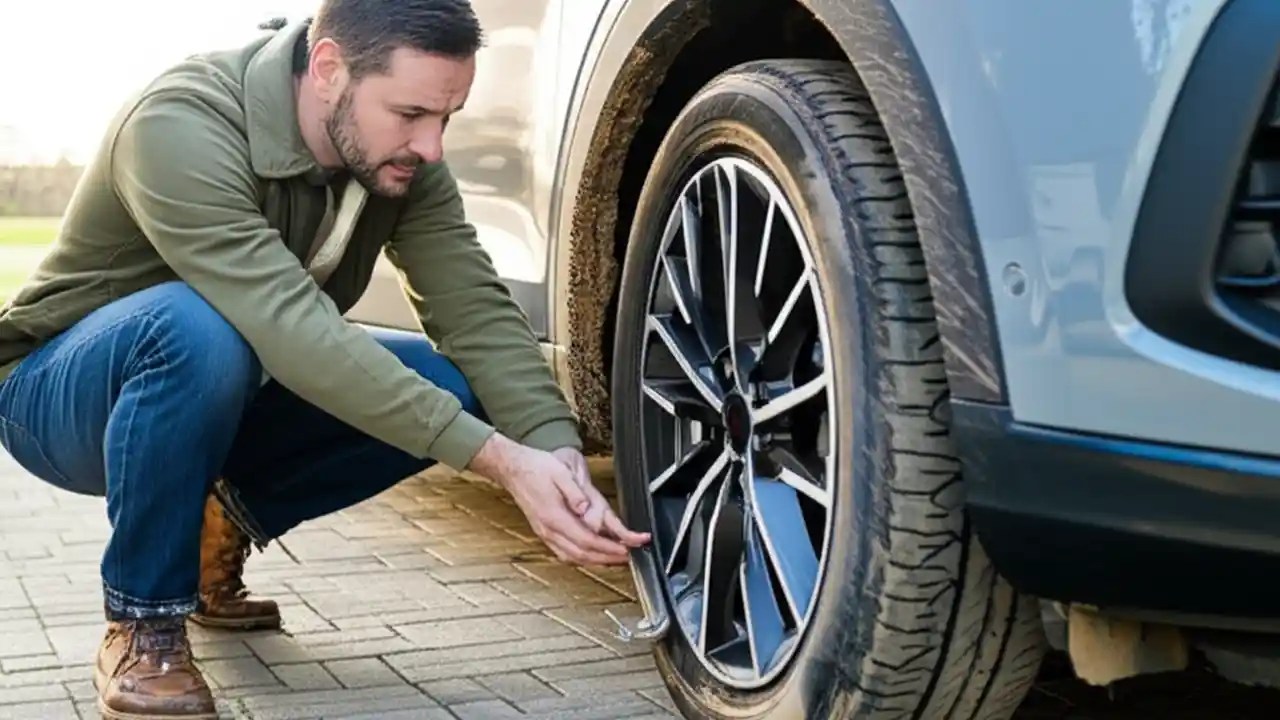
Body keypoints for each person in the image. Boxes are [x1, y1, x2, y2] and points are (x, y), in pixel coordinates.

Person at [0, 1, 650, 717]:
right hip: (60, 399)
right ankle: (145, 621)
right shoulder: (178, 124)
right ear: (330, 68)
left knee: (454, 384)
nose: (432, 146)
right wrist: (497, 461)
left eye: (447, 117)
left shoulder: (404, 163)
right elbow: (290, 325)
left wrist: (552, 452)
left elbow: (476, 312)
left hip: (228, 385)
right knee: (192, 326)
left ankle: (214, 524)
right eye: (410, 114)